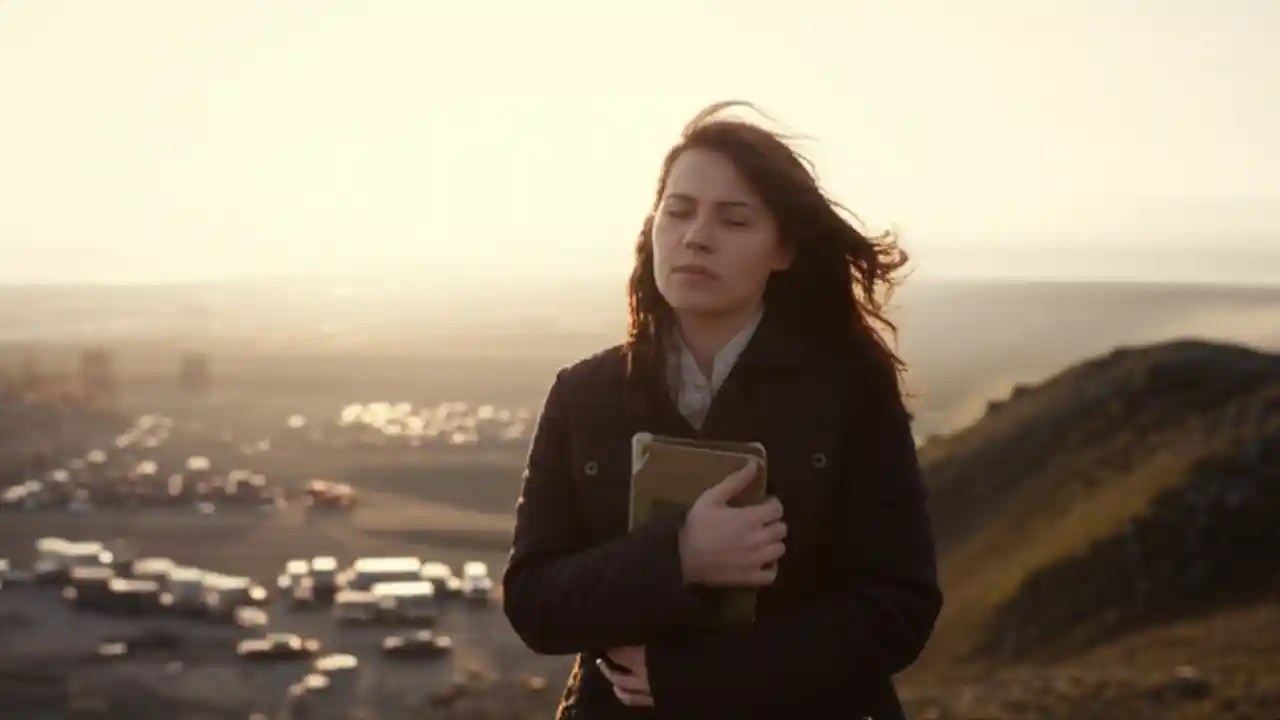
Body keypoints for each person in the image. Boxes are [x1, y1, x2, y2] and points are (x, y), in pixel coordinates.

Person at [502, 100, 942, 719]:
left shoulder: (850, 392)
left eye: (734, 221)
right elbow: (534, 603)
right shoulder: (583, 394)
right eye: (678, 211)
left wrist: (694, 677)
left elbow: (896, 609)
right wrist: (677, 556)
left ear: (782, 250)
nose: (696, 236)